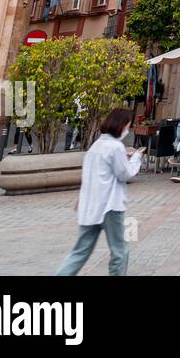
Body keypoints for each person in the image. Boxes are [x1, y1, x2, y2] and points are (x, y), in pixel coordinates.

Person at [57, 108, 143, 276]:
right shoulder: (116, 147)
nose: (128, 129)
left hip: (90, 205)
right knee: (120, 251)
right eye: (128, 125)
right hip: (110, 205)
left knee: (80, 252)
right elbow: (124, 174)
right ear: (122, 125)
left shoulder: (96, 146)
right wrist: (136, 159)